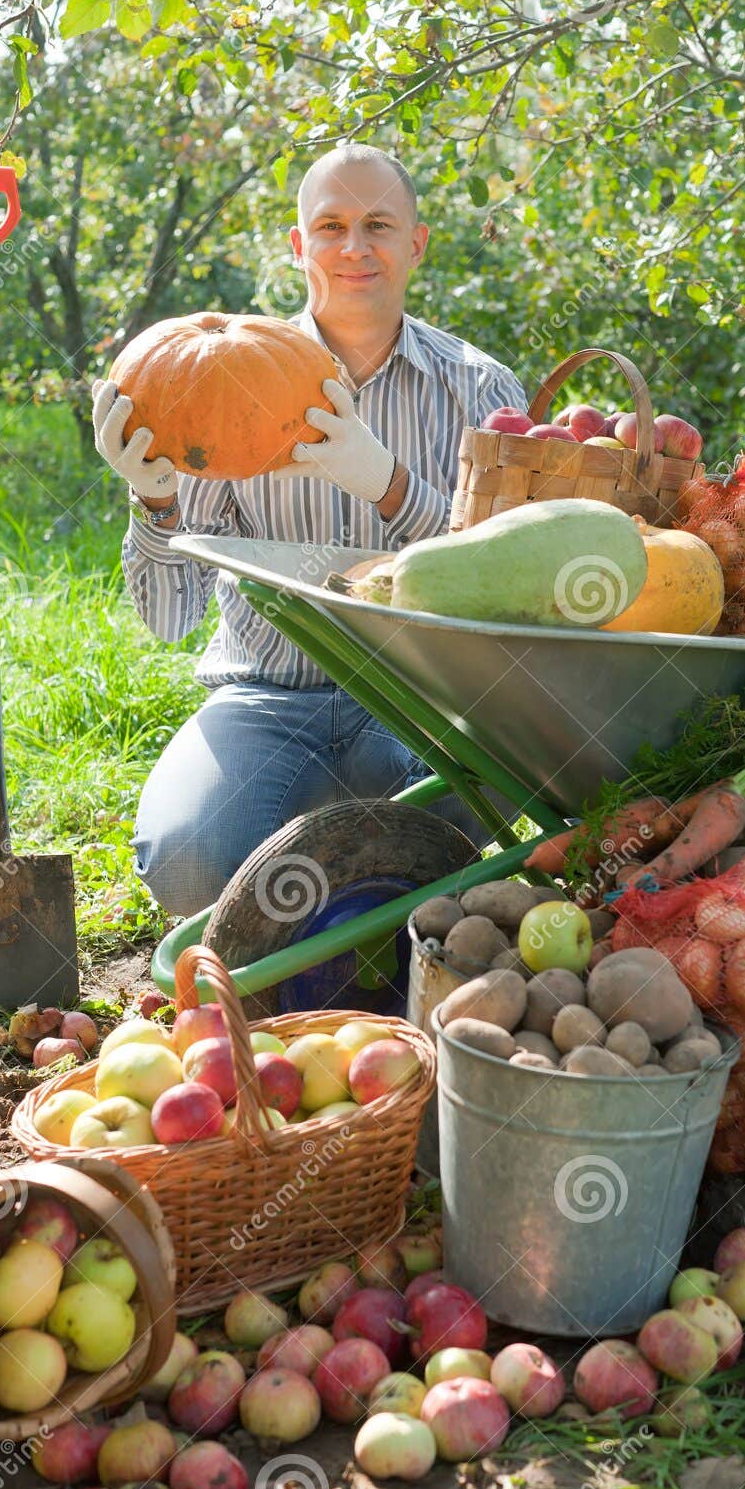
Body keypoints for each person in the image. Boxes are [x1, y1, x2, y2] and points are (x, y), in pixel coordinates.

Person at [92, 143, 528, 917]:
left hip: (419, 698)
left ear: (416, 243)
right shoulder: (219, 378)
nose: (354, 247)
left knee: (473, 807)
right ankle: (299, 907)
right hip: (265, 698)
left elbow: (502, 590)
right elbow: (169, 621)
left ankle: (375, 936)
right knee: (189, 863)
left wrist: (387, 484)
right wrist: (153, 501)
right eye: (330, 226)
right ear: (299, 246)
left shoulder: (480, 386)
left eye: (378, 225)